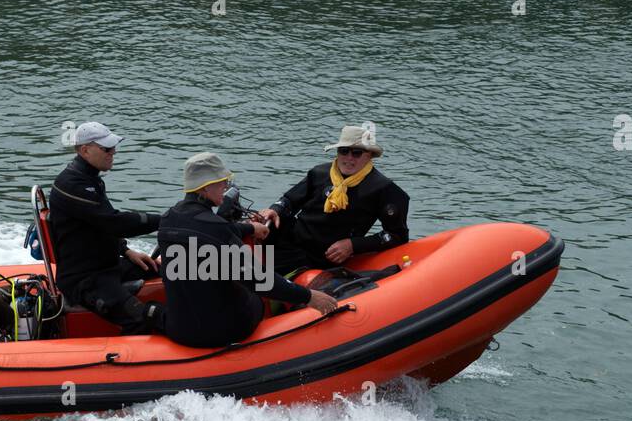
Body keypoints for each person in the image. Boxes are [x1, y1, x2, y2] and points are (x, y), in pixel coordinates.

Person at [158, 152, 336, 348]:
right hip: (222, 332)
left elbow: (209, 230)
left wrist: (250, 227)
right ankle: (280, 319)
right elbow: (259, 280)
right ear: (206, 188)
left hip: (178, 329)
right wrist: (309, 296)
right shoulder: (216, 228)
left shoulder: (169, 218)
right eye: (222, 183)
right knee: (257, 296)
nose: (225, 188)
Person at [49, 121, 164, 334]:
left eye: (113, 147)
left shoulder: (90, 179)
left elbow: (98, 225)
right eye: (107, 149)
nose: (113, 152)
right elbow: (114, 222)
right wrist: (164, 220)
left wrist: (126, 251)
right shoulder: (74, 184)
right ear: (85, 150)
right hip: (86, 279)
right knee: (146, 319)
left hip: (105, 266)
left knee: (168, 269)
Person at [256, 125, 409, 275]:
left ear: (369, 155)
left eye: (356, 153)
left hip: (322, 256)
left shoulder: (384, 189)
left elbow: (397, 235)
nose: (349, 158)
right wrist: (274, 210)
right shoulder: (319, 173)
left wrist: (353, 245)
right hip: (291, 239)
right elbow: (289, 201)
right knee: (250, 229)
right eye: (343, 151)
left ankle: (260, 283)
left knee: (265, 276)